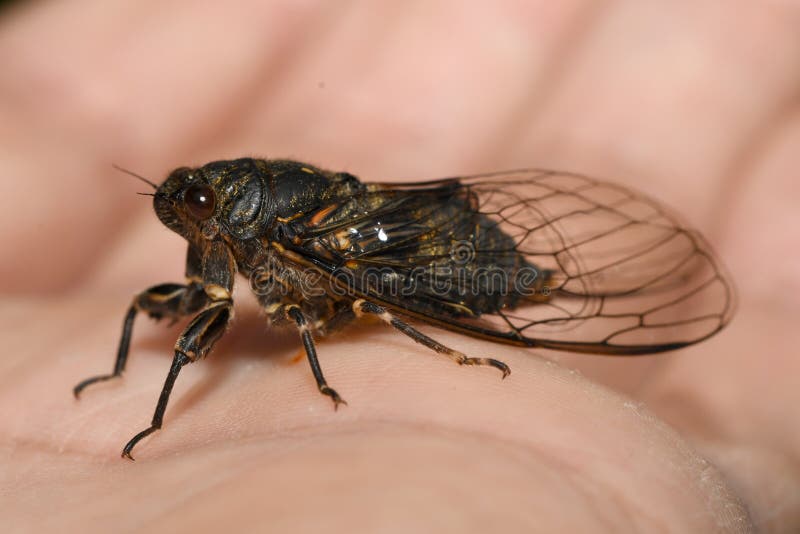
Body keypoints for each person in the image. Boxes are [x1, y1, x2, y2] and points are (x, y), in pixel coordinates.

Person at [1, 2, 797, 531]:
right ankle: (143, 405)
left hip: (414, 257)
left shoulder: (278, 238)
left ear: (235, 207)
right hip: (356, 230)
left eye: (198, 206)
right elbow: (207, 295)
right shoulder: (225, 235)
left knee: (366, 303)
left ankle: (443, 344)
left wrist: (349, 368)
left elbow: (310, 312)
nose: (187, 216)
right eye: (185, 208)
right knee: (152, 310)